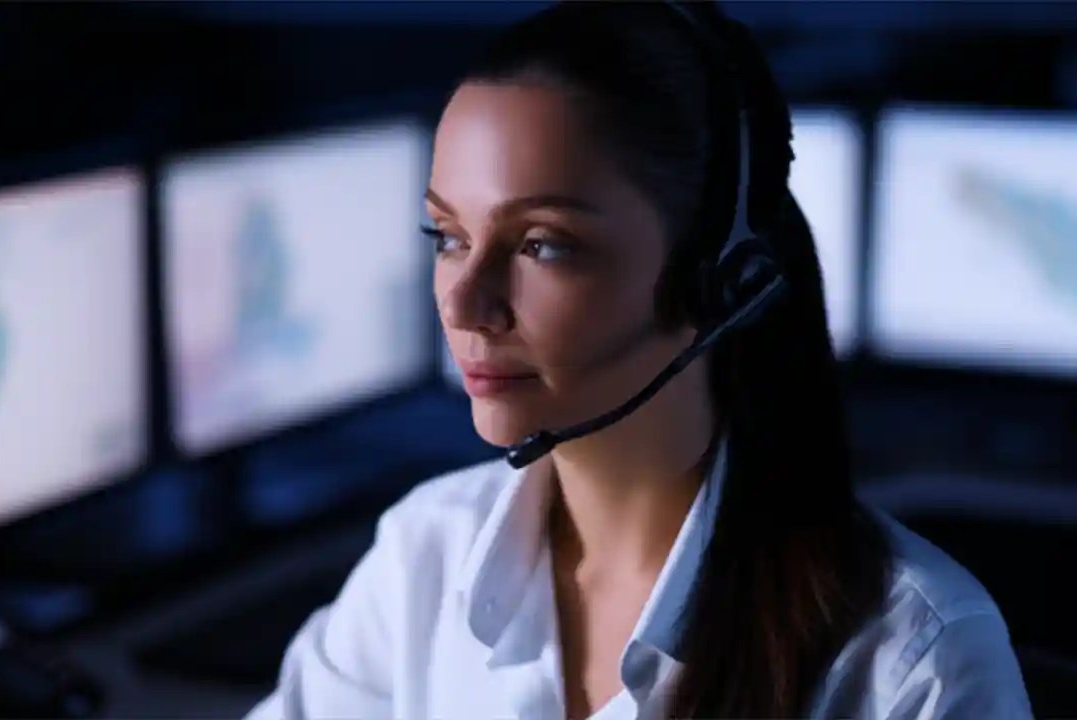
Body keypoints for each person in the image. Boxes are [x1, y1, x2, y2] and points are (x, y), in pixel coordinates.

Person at [244, 2, 1033, 718]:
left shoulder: (914, 662)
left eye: (542, 245)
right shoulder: (423, 555)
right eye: (448, 238)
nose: (461, 304)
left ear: (724, 282)